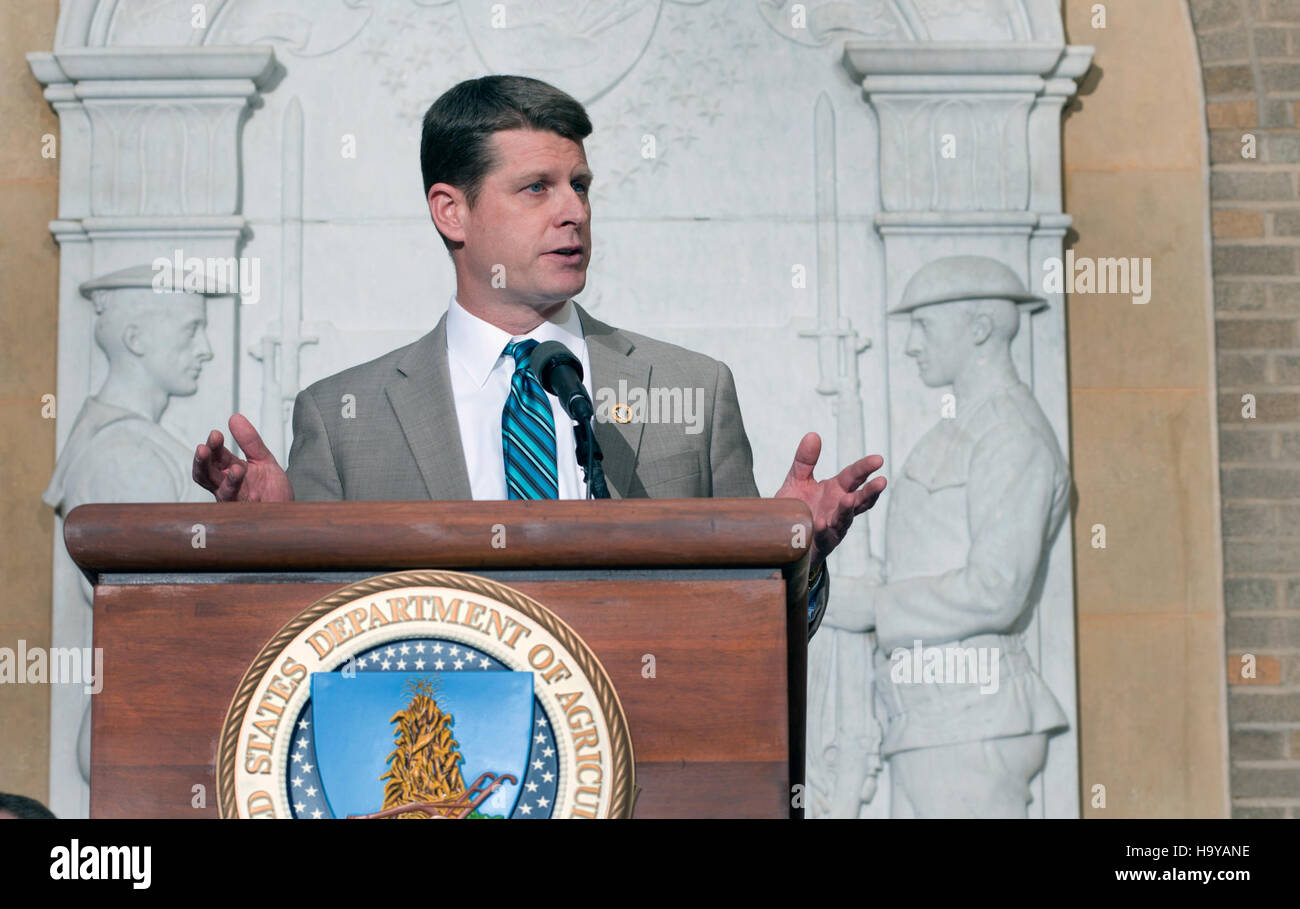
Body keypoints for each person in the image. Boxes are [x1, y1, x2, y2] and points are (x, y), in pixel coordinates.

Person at [192, 75, 888, 631]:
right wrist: (267, 549)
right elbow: (305, 650)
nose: (574, 211)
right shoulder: (343, 419)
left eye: (580, 186)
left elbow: (758, 638)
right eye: (537, 188)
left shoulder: (692, 393)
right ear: (450, 212)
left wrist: (797, 557)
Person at [822, 255, 1070, 817]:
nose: (912, 344)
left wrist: (877, 606)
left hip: (973, 721)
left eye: (926, 325)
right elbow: (919, 560)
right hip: (932, 718)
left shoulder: (1012, 436)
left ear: (979, 329)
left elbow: (997, 589)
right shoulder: (956, 432)